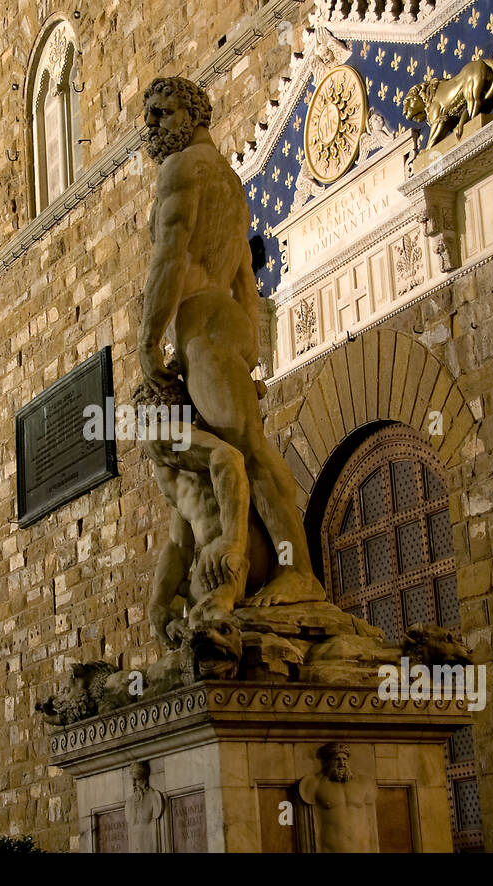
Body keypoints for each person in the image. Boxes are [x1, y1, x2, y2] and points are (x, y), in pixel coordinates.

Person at [139, 76, 326, 607]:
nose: (152, 124)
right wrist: (249, 347)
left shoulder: (181, 170)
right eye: (149, 115)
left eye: (163, 111)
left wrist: (149, 339)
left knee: (249, 450)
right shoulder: (229, 180)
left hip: (200, 325)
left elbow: (169, 259)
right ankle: (266, 573)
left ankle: (297, 572)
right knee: (237, 448)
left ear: (194, 113)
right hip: (224, 324)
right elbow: (245, 272)